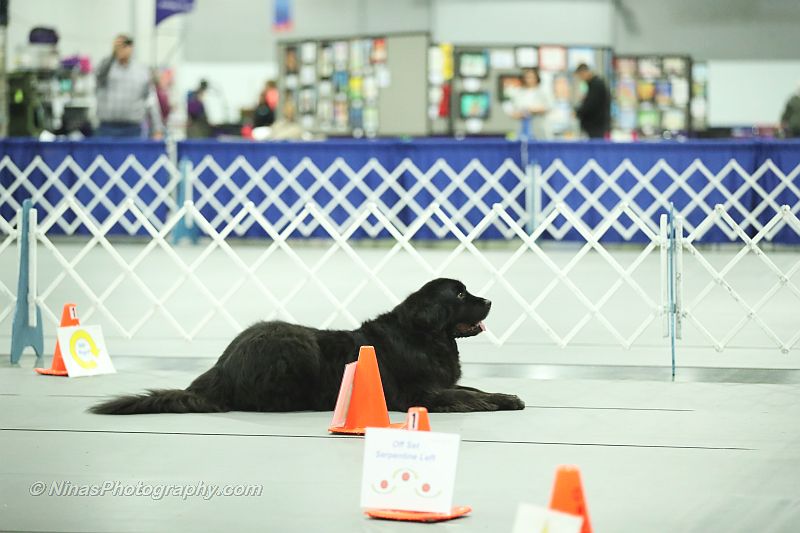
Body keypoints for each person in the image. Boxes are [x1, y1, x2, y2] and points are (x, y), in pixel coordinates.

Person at [95, 35, 164, 139]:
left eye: (126, 45)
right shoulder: (106, 68)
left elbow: (151, 100)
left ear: (132, 47)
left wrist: (157, 128)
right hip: (107, 128)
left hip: (133, 130)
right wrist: (113, 55)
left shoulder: (142, 71)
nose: (123, 49)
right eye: (119, 45)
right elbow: (98, 75)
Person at [507, 68, 551, 140]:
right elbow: (513, 110)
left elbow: (548, 107)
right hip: (522, 127)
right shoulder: (519, 92)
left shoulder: (542, 91)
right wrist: (519, 114)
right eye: (527, 77)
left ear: (536, 78)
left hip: (538, 126)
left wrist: (532, 110)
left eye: (531, 77)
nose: (529, 79)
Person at [574, 63, 611, 139]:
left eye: (580, 76)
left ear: (584, 72)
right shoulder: (593, 84)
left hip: (596, 126)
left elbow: (591, 105)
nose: (581, 79)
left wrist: (578, 112)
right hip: (596, 126)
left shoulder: (596, 85)